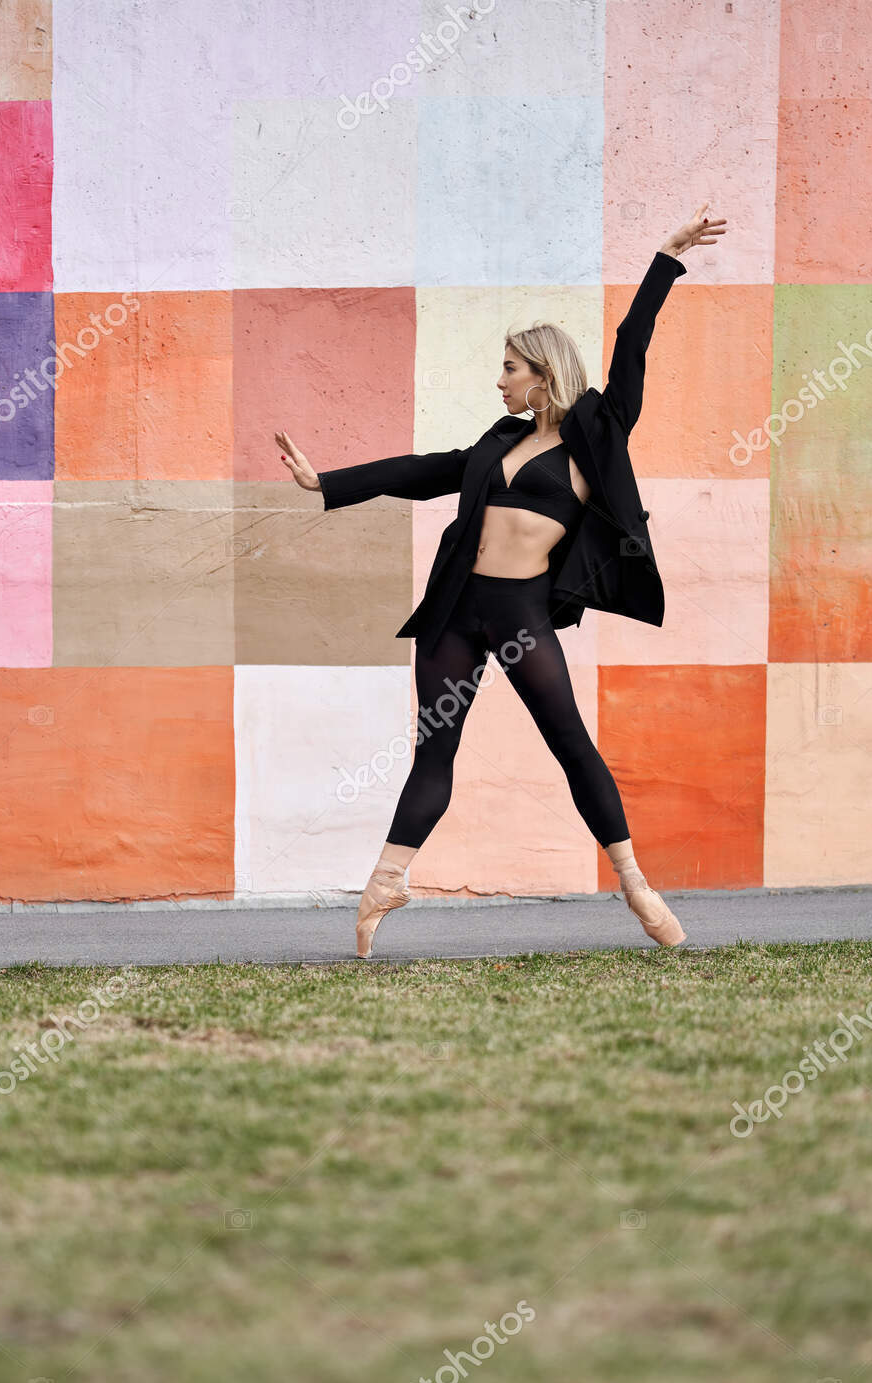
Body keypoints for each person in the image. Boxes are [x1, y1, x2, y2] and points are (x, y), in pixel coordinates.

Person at [276, 205, 727, 957]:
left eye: (509, 369)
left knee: (570, 745)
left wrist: (662, 260)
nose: (500, 381)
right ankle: (386, 882)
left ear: (542, 373)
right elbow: (427, 471)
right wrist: (326, 482)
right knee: (433, 749)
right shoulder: (500, 441)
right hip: (458, 609)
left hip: (521, 615)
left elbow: (629, 346)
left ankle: (634, 884)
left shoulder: (596, 430)